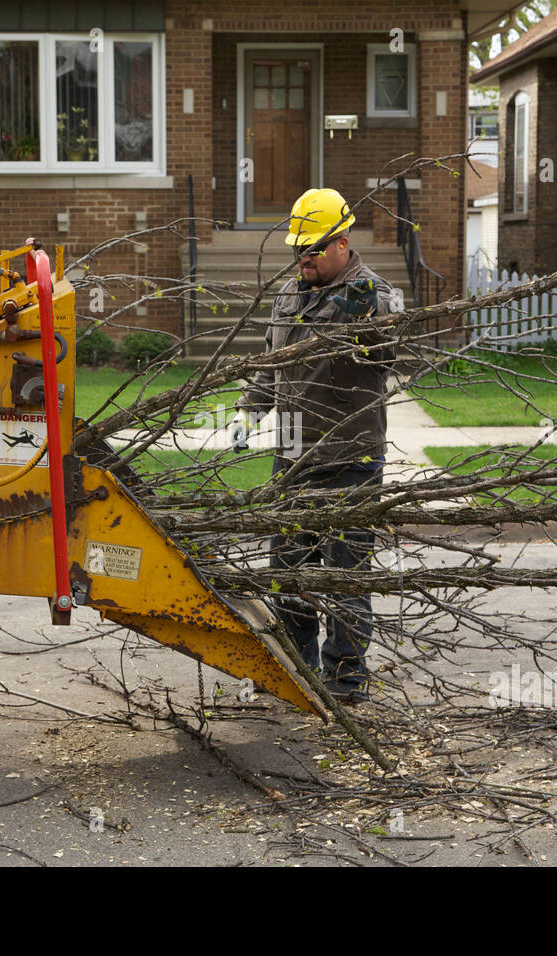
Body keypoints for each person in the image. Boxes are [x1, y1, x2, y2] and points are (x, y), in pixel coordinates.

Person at [236, 188, 397, 703]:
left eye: (312, 249)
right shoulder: (290, 294)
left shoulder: (373, 294)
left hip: (350, 459)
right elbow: (271, 359)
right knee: (288, 572)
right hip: (290, 457)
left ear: (342, 243)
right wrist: (249, 408)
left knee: (345, 578)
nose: (302, 258)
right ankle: (296, 669)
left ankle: (345, 681)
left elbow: (390, 355)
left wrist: (366, 323)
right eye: (297, 250)